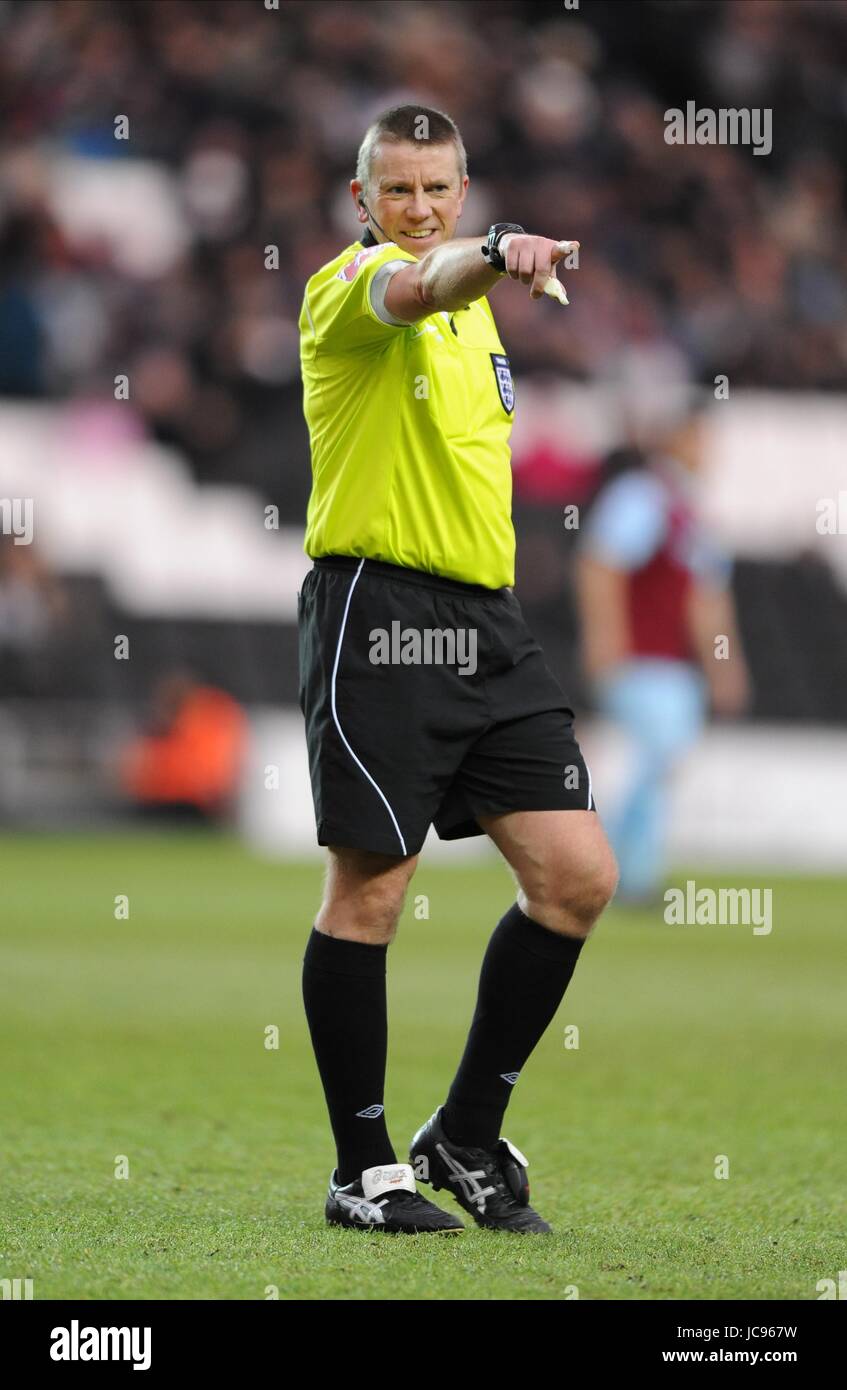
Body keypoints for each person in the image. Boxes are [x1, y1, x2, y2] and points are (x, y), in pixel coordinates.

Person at [297, 104, 618, 1236]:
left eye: (439, 189)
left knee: (576, 877)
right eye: (399, 191)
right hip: (377, 614)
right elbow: (417, 285)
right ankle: (360, 1169)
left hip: (488, 620)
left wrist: (483, 267)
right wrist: (489, 252)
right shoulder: (350, 290)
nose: (419, 208)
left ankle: (466, 1133)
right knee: (372, 891)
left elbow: (451, 288)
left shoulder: (477, 319)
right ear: (362, 201)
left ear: (461, 185)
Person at [575, 400, 751, 905]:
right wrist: (605, 639)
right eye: (699, 438)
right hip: (641, 660)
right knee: (656, 758)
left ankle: (623, 869)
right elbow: (600, 564)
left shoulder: (686, 506)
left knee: (658, 763)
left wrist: (722, 666)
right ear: (675, 438)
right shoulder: (643, 497)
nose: (707, 451)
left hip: (671, 664)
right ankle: (617, 867)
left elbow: (705, 600)